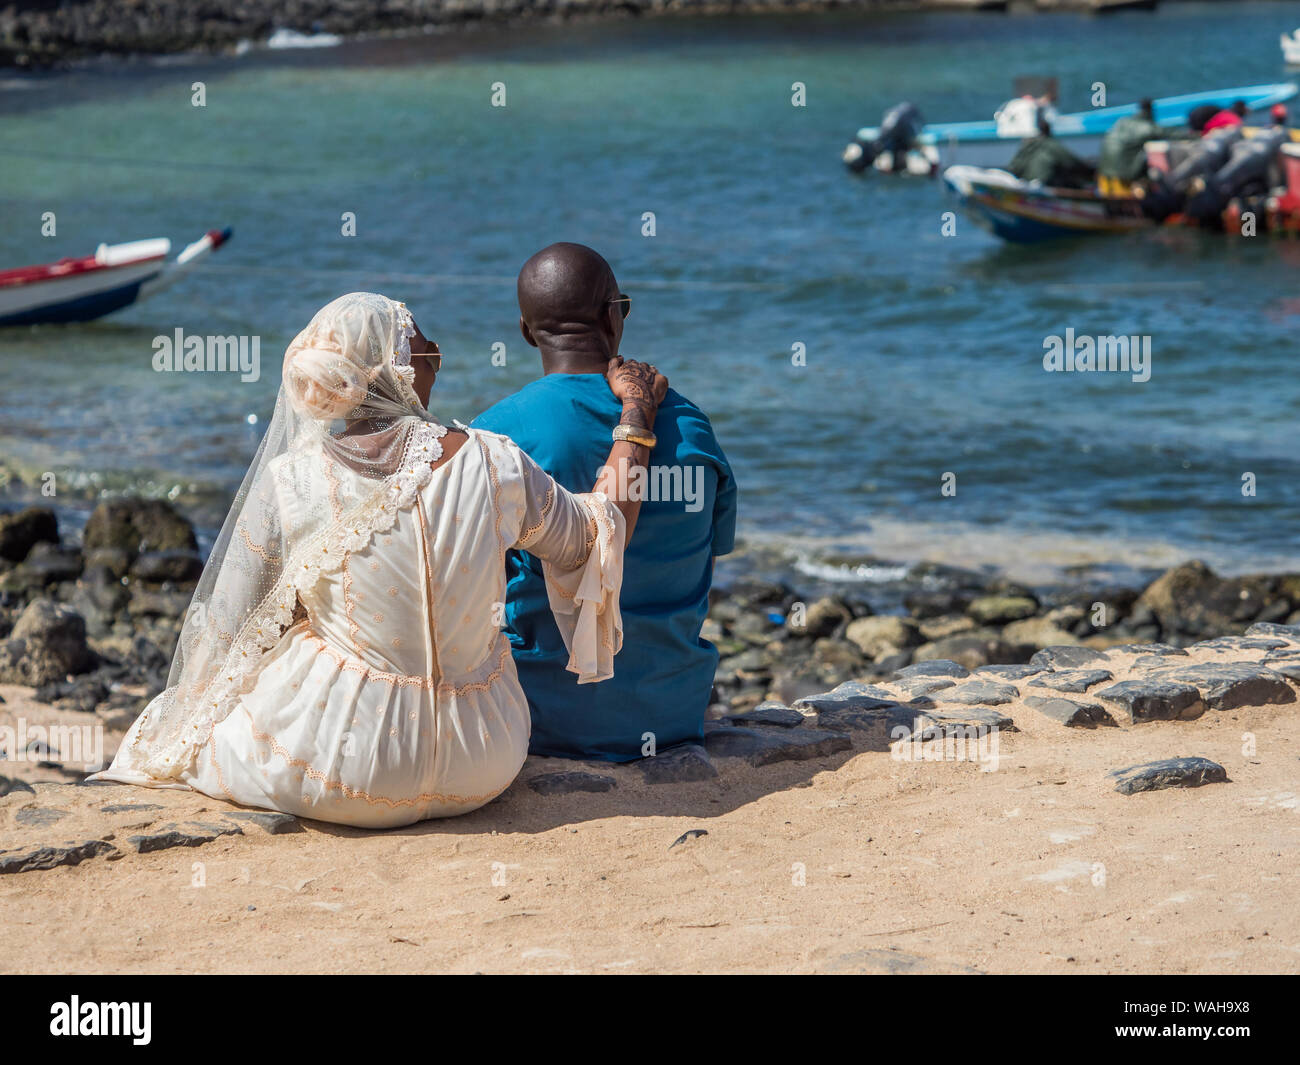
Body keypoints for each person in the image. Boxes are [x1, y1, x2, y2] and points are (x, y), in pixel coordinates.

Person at [90, 292, 669, 828]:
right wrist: (636, 417)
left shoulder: (291, 479)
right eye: (426, 347)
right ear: (397, 369)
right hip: (484, 759)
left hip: (340, 766)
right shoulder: (495, 464)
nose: (438, 358)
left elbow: (229, 629)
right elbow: (599, 536)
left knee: (203, 706)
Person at [472, 243, 736, 762]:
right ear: (613, 315)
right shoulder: (691, 427)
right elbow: (709, 553)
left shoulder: (495, 437)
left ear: (527, 332)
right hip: (673, 714)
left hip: (542, 717)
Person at [1007, 114, 1094, 189]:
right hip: (1044, 184)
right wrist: (1091, 171)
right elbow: (1071, 162)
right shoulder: (1050, 144)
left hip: (1026, 183)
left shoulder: (1027, 145)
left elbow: (1014, 167)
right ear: (1049, 130)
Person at [1097, 98, 1162, 196]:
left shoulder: (1122, 122)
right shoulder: (1148, 127)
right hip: (1123, 177)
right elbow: (1167, 133)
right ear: (1151, 111)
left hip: (1103, 175)